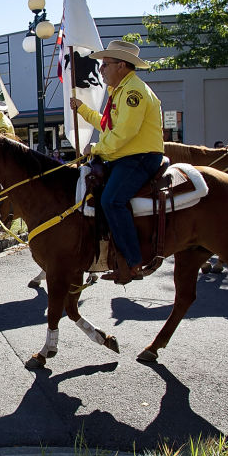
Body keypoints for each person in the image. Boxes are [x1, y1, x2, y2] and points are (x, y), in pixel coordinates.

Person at [70, 40, 164, 284]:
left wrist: (96, 148)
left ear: (121, 65)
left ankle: (133, 262)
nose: (101, 70)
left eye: (104, 65)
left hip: (138, 157)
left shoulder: (134, 92)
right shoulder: (120, 91)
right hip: (124, 155)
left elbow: (124, 134)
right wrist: (81, 109)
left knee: (112, 200)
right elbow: (106, 125)